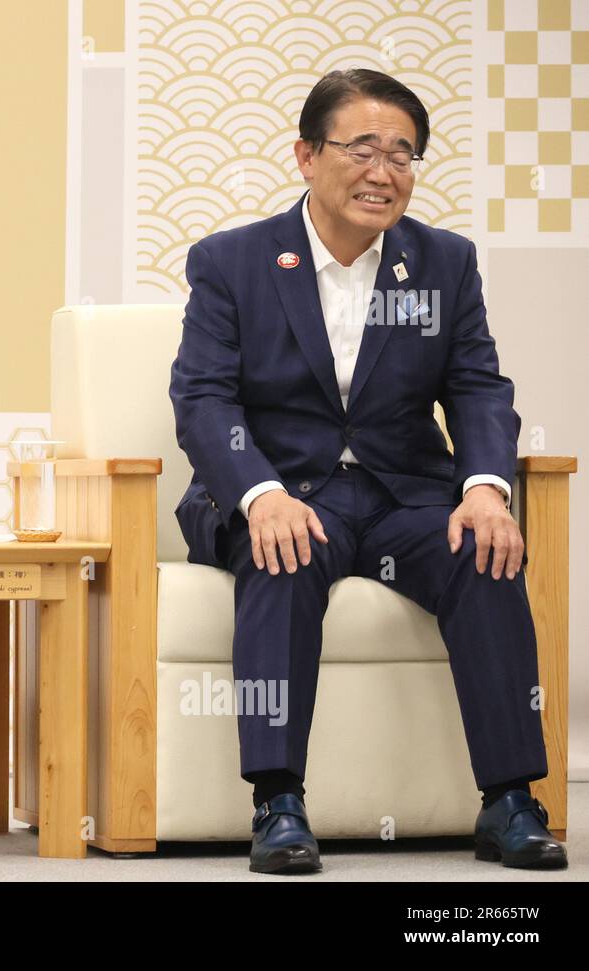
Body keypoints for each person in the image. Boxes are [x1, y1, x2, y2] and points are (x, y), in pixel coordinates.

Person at [169, 68, 566, 874]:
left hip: (402, 495)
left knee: (485, 552)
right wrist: (259, 491)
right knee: (284, 552)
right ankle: (278, 799)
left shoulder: (444, 263)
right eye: (362, 149)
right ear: (307, 157)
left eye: (403, 154)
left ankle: (510, 799)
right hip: (285, 488)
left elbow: (478, 385)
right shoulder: (232, 262)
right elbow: (203, 396)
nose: (383, 172)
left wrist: (486, 487)